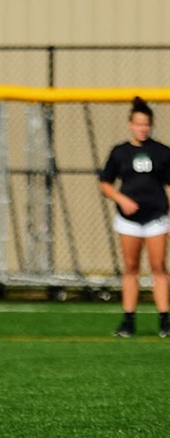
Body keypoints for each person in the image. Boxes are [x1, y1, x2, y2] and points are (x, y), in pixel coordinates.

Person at [98, 97, 170, 338]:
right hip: (129, 221)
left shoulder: (161, 152)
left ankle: (164, 321)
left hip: (157, 218)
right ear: (131, 124)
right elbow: (105, 184)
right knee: (130, 267)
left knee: (159, 267)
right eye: (139, 124)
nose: (143, 128)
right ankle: (128, 321)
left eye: (147, 124)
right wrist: (122, 199)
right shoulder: (120, 152)